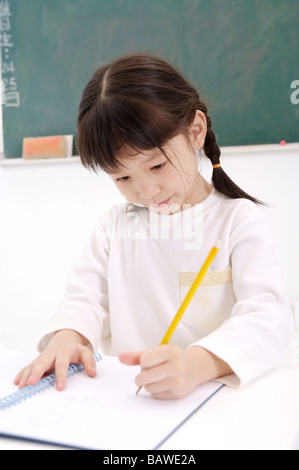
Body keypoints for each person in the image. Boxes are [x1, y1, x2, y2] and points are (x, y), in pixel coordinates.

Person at [15, 53, 293, 400]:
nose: (146, 191)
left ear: (195, 131)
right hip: (132, 404)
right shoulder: (114, 227)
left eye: (158, 166)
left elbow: (269, 318)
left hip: (213, 405)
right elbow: (86, 299)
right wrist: (68, 336)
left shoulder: (238, 221)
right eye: (123, 177)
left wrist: (196, 365)